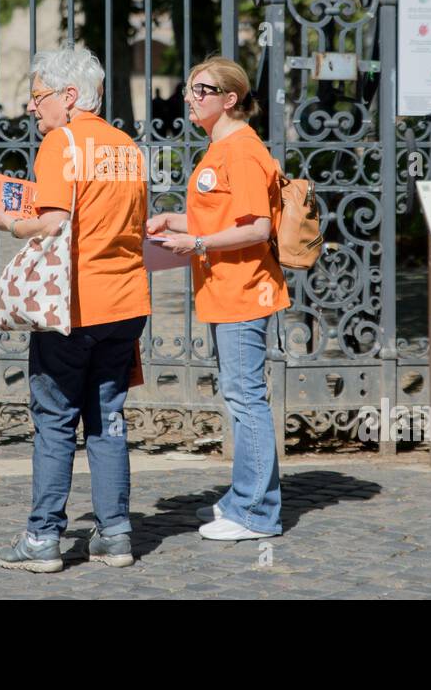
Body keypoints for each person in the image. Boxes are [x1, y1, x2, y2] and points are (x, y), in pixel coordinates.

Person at [0, 46, 150, 572]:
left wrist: (10, 223)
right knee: (107, 419)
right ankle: (116, 534)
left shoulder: (62, 143)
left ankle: (42, 540)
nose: (32, 109)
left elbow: (54, 222)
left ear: (69, 96)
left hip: (73, 305)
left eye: (38, 97)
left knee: (55, 420)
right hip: (126, 301)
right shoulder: (128, 146)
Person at [146, 55, 289, 540]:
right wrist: (175, 222)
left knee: (246, 399)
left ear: (230, 100)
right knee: (239, 397)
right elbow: (223, 219)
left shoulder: (242, 151)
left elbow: (257, 228)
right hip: (225, 289)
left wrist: (198, 242)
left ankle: (256, 513)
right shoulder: (220, 148)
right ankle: (244, 500)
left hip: (244, 289)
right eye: (189, 89)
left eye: (201, 90)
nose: (190, 97)